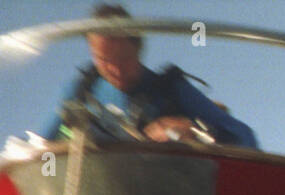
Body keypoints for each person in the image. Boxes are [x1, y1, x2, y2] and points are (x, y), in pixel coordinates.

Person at [42, 4, 258, 148]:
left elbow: (246, 138)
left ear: (139, 48)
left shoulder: (172, 90)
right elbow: (37, 150)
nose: (115, 70)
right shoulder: (78, 94)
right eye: (104, 61)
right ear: (92, 54)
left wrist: (193, 130)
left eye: (123, 59)